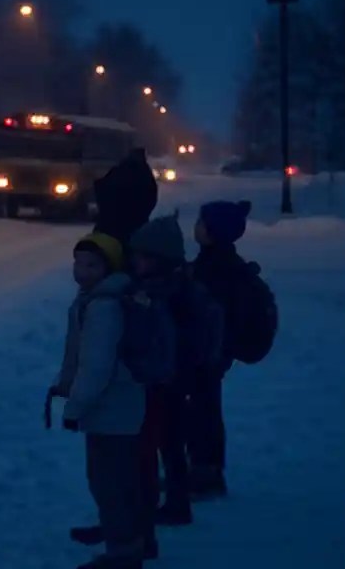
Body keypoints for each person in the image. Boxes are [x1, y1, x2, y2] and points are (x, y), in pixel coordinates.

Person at [54, 233, 147, 569]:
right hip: (114, 410)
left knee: (110, 483)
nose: (82, 270)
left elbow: (96, 366)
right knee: (114, 479)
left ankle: (124, 553)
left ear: (108, 268)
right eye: (78, 262)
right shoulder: (92, 299)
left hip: (113, 412)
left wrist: (74, 407)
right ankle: (125, 539)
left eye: (91, 264)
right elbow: (78, 356)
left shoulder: (104, 306)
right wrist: (64, 384)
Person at [129, 214, 224, 528]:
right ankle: (172, 499)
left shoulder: (171, 292)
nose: (135, 262)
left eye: (142, 257)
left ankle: (172, 503)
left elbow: (178, 339)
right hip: (169, 379)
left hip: (167, 381)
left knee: (166, 442)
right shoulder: (170, 286)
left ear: (158, 259)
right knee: (168, 442)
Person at [190, 200, 254, 493]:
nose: (196, 227)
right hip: (211, 352)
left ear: (214, 231)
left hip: (208, 353)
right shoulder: (214, 261)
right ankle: (204, 469)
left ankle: (207, 473)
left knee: (204, 412)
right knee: (204, 409)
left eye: (201, 223)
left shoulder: (217, 268)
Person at [93, 148, 159, 247]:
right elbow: (151, 197)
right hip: (135, 224)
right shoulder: (145, 174)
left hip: (109, 224)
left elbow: (101, 189)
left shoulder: (117, 171)